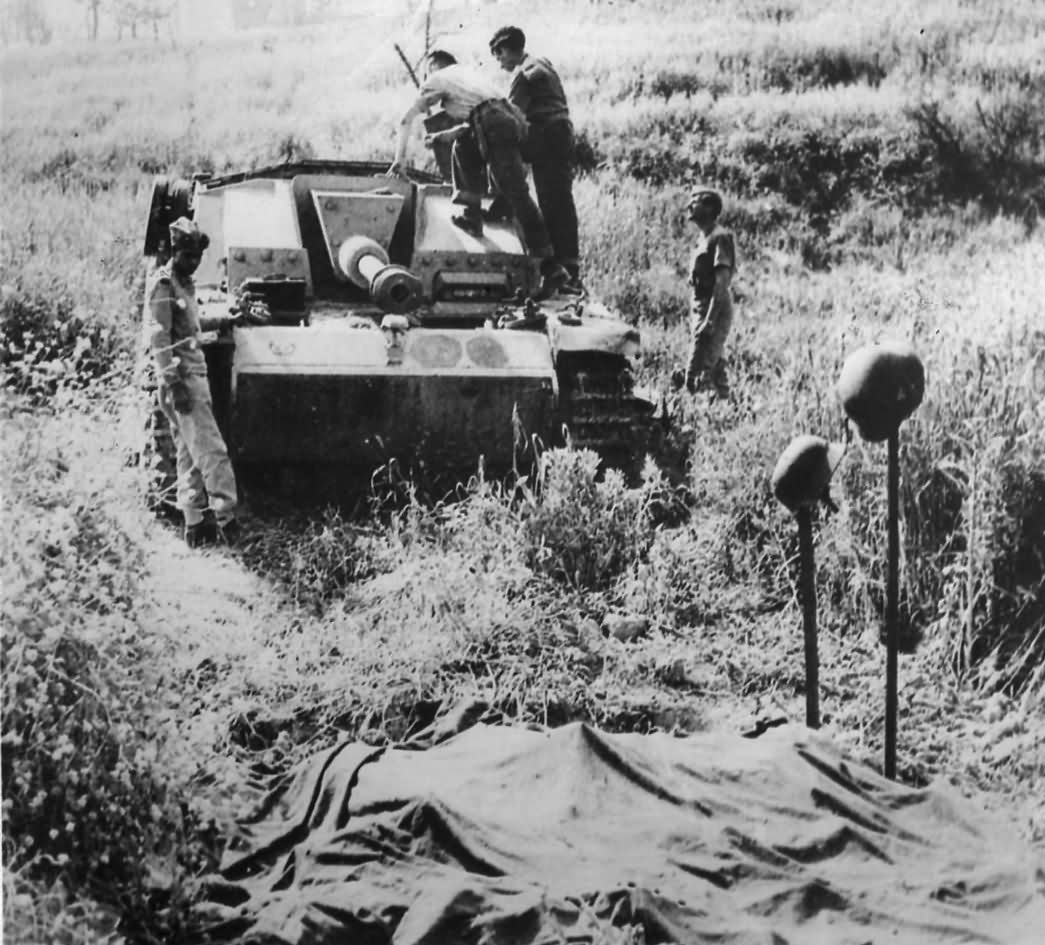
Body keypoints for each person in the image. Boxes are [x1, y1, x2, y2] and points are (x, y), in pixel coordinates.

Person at [388, 49, 571, 296]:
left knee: (516, 193)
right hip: (507, 117)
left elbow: (405, 120)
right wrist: (444, 135)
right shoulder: (470, 77)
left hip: (494, 122)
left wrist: (398, 161)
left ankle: (551, 266)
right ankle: (471, 215)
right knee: (463, 146)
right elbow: (481, 117)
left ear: (433, 67)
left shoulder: (437, 79)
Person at [146, 217, 241, 548]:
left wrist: (228, 318)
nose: (194, 262)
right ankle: (228, 521)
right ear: (174, 252)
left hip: (192, 378)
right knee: (213, 452)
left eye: (198, 256)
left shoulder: (183, 284)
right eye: (187, 256)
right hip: (183, 381)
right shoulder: (164, 285)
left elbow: (192, 325)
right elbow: (159, 340)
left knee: (189, 455)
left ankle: (194, 526)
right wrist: (174, 386)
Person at [489, 25, 581, 289]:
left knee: (552, 202)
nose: (500, 62)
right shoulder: (543, 63)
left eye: (499, 55)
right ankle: (569, 267)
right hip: (561, 135)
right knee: (560, 201)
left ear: (507, 49)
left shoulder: (524, 73)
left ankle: (563, 270)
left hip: (548, 138)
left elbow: (510, 117)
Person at [679, 185, 736, 397]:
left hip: (714, 308)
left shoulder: (720, 237)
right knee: (714, 364)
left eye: (695, 201)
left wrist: (710, 320)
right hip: (701, 305)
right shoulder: (703, 238)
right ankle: (727, 404)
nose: (689, 205)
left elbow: (721, 282)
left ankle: (701, 406)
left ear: (710, 208)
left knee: (698, 370)